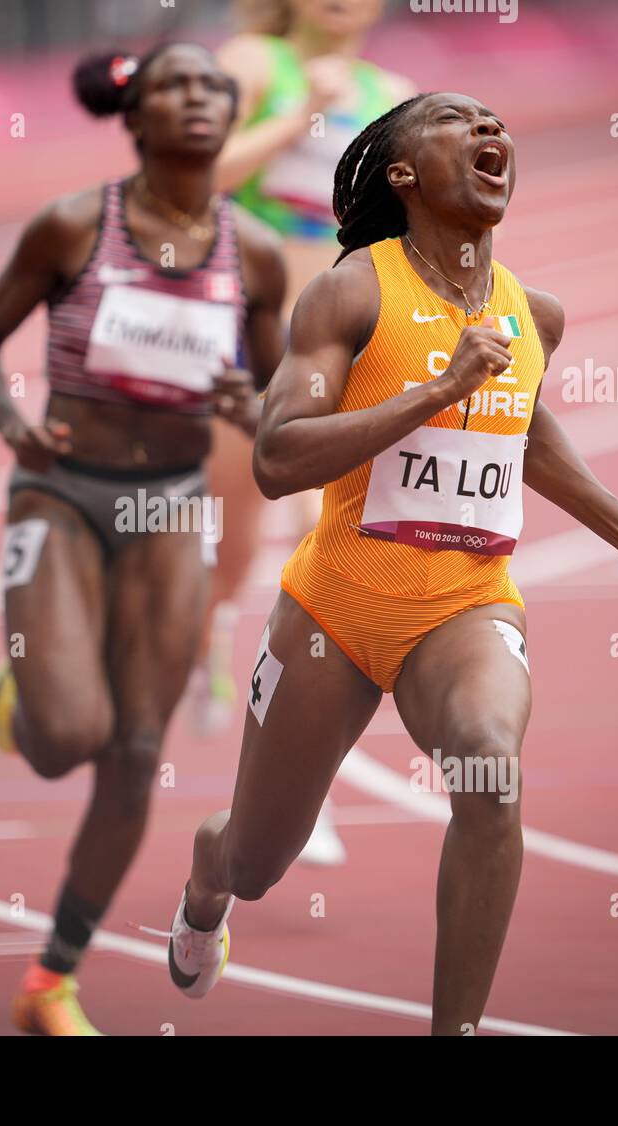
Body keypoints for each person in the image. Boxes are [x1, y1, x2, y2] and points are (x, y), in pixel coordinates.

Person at [163, 92, 618, 1033]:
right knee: (258, 860)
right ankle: (206, 886)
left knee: (492, 773)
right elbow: (277, 457)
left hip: (465, 607)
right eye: (458, 121)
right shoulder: (350, 292)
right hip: (333, 611)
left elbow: (524, 434)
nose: (490, 130)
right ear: (404, 175)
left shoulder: (532, 315)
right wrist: (438, 387)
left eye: (498, 121)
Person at [0, 43, 286, 1036]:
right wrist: (15, 427)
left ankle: (51, 977)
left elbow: (279, 400)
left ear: (232, 118)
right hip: (62, 493)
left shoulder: (254, 254)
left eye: (213, 86)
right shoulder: (72, 226)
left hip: (173, 503)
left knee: (137, 749)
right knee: (63, 740)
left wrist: (250, 400)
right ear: (133, 118)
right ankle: (24, 694)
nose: (198, 97)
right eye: (174, 86)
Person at [188, 0, 414, 865]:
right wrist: (295, 117)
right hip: (243, 340)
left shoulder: (392, 95)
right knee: (239, 547)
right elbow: (193, 178)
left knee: (324, 553)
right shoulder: (254, 63)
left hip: (340, 348)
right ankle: (205, 627)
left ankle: (294, 784)